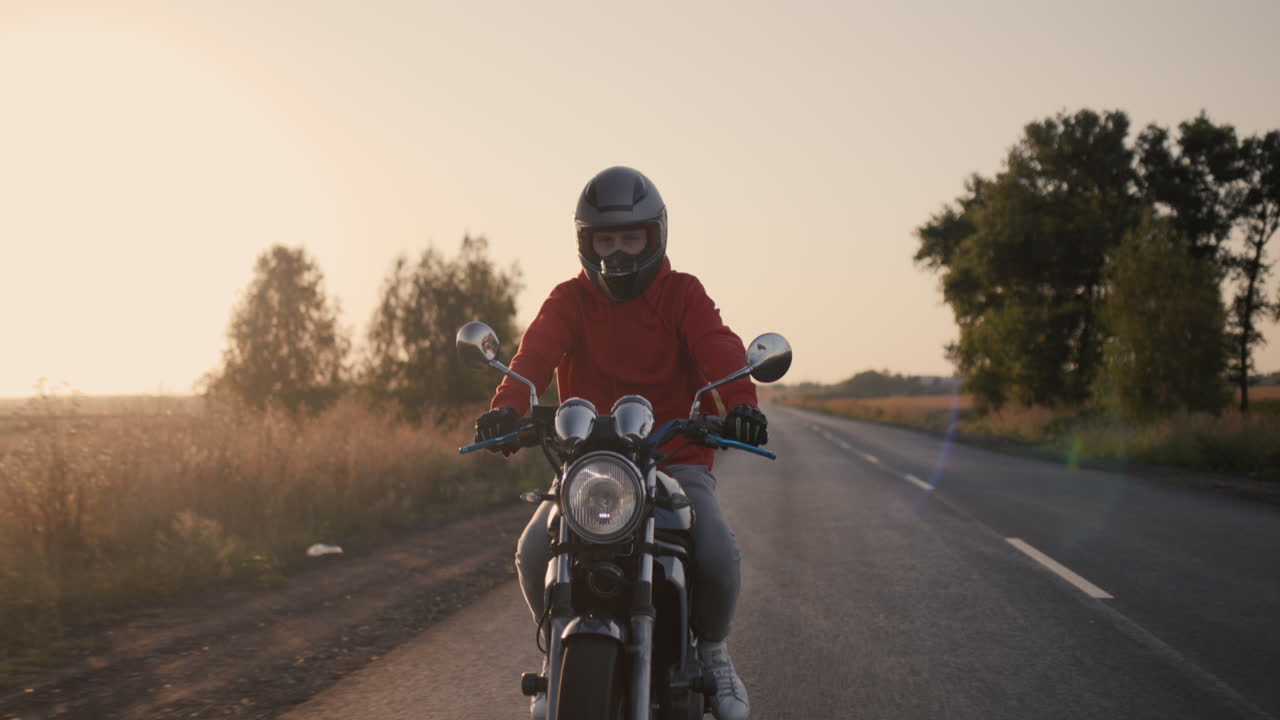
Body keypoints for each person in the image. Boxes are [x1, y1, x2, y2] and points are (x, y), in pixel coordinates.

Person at [473, 166, 767, 720]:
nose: (618, 253)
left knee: (717, 550)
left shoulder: (682, 294)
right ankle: (557, 659)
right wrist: (505, 410)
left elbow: (719, 347)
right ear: (585, 243)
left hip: (674, 461)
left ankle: (714, 652)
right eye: (605, 241)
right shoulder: (569, 299)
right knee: (533, 551)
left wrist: (741, 405)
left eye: (631, 238)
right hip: (587, 465)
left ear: (655, 237)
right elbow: (533, 357)